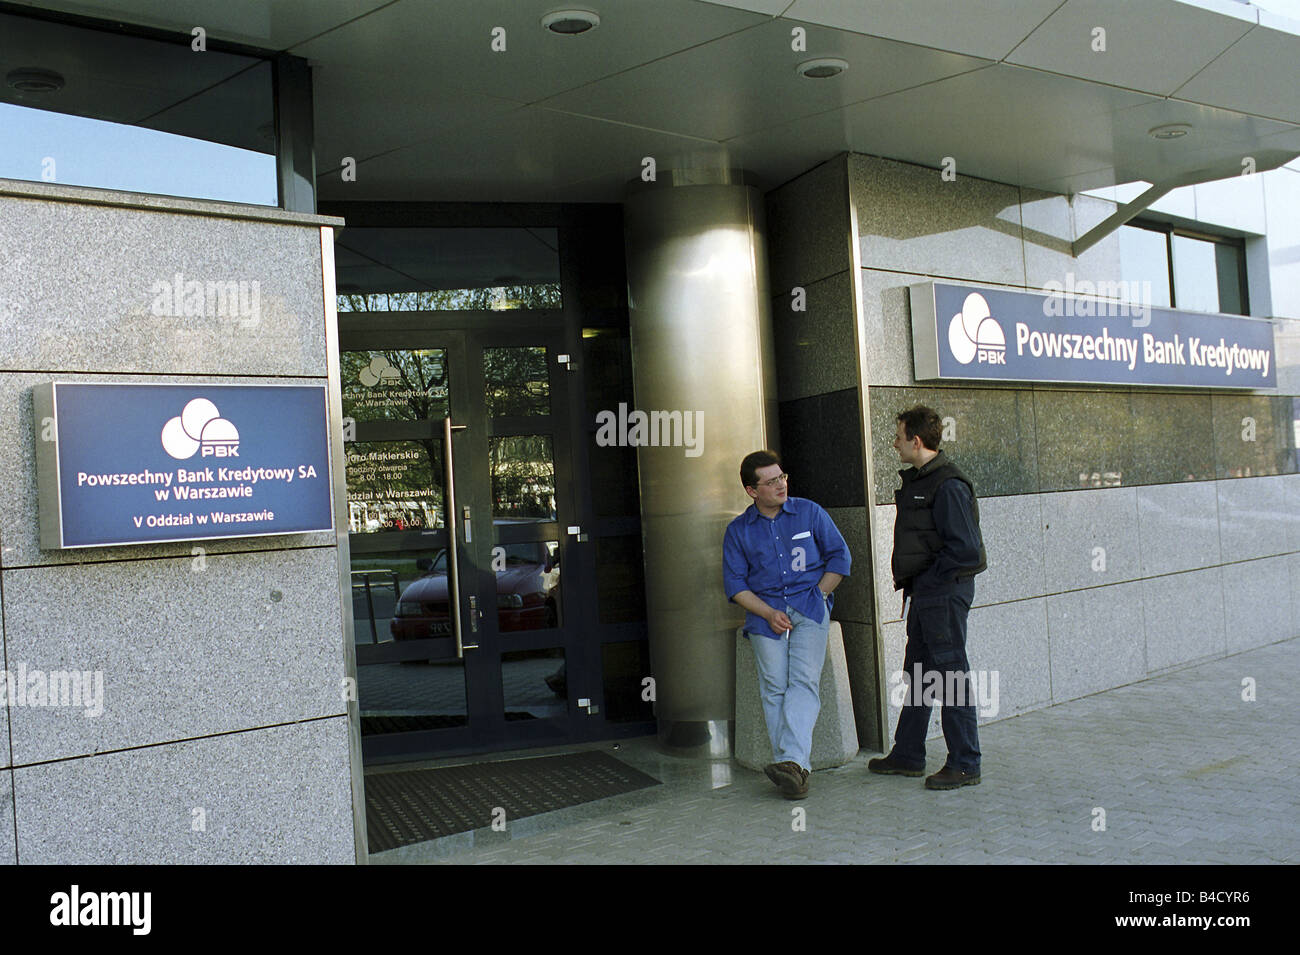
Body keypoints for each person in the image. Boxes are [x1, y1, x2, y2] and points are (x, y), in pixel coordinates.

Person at [870, 406, 988, 790]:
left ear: (915, 441)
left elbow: (969, 551)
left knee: (950, 676)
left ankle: (966, 763)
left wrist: (932, 580)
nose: (894, 443)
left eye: (899, 436)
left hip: (942, 594)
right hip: (925, 595)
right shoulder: (923, 480)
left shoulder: (948, 484)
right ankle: (907, 754)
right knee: (919, 674)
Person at [723, 450, 851, 799]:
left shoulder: (810, 512)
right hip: (765, 616)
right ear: (752, 491)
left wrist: (819, 595)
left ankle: (791, 764)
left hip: (810, 609)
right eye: (771, 481)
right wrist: (766, 613)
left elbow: (841, 557)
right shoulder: (738, 531)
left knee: (803, 682)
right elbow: (735, 586)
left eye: (782, 477)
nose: (781, 485)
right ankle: (795, 770)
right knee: (774, 687)